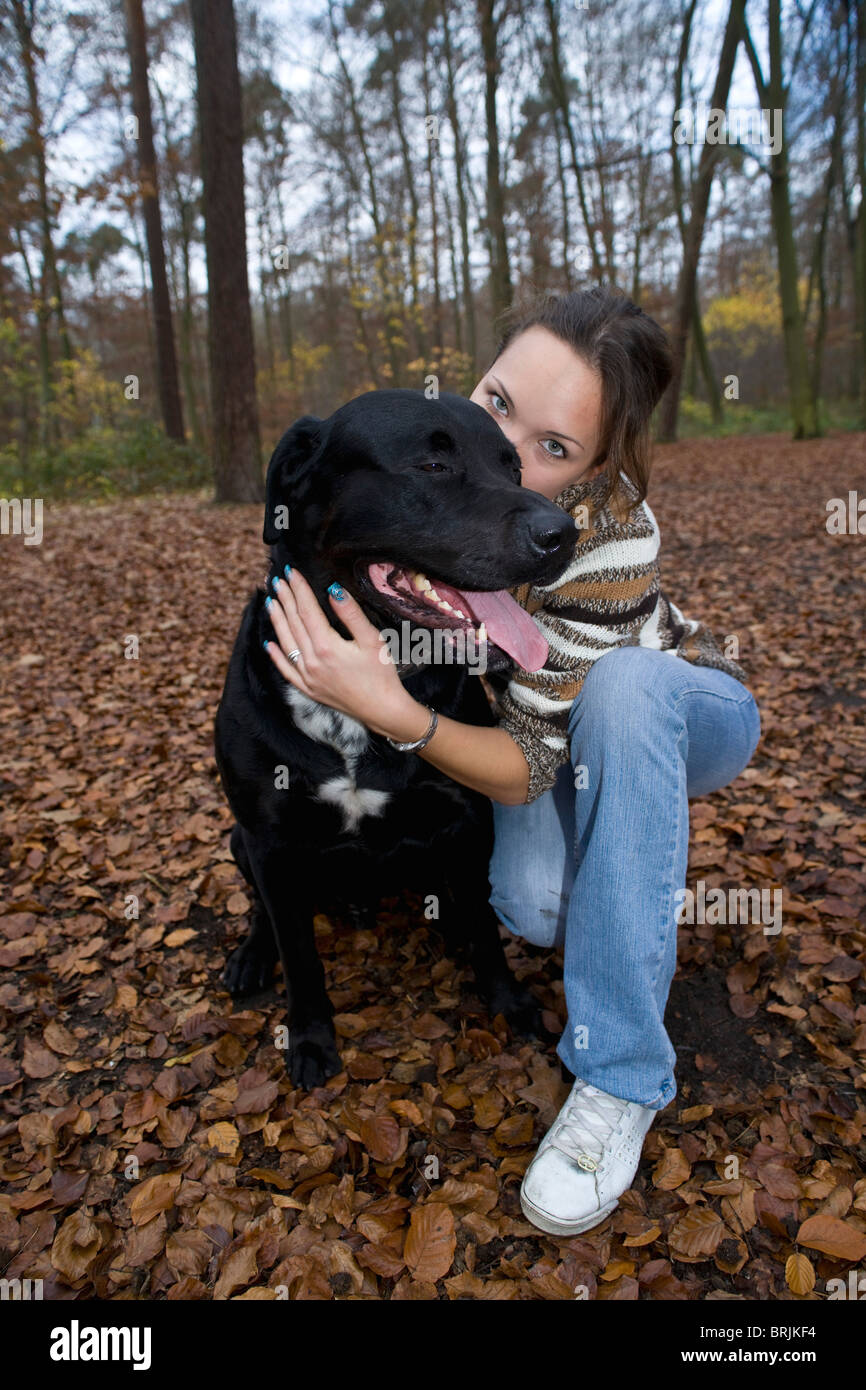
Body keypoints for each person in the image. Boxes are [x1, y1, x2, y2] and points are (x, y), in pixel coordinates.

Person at [262, 287, 761, 1237]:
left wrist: (394, 713)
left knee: (621, 693)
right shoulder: (451, 481)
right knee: (536, 908)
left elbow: (529, 765)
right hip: (553, 732)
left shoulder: (604, 542)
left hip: (684, 704)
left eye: (557, 450)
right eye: (497, 407)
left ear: (604, 466)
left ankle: (619, 1077)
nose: (511, 459)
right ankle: (625, 894)